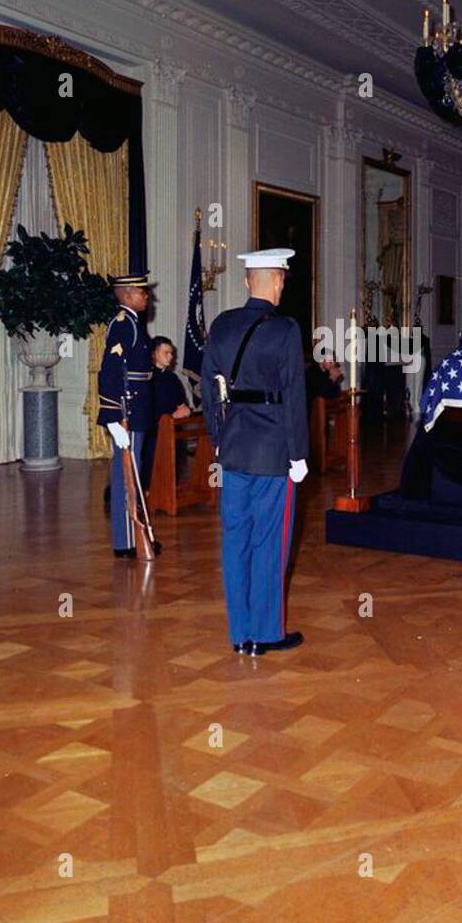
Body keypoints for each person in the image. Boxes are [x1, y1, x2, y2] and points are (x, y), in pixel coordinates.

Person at [201, 248, 309, 656]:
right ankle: (265, 633)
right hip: (272, 451)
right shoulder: (285, 329)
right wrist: (298, 455)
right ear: (278, 281)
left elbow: (208, 388)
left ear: (248, 281)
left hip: (232, 448)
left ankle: (240, 634)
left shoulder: (223, 324)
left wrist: (216, 436)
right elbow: (294, 395)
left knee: (235, 539)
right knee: (269, 540)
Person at [96, 272, 159, 559]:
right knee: (126, 474)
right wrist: (112, 416)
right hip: (127, 409)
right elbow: (110, 370)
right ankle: (126, 542)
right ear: (126, 295)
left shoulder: (134, 323)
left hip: (138, 406)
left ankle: (133, 537)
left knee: (135, 469)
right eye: (142, 292)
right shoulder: (123, 324)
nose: (147, 296)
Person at [139, 336, 192, 489]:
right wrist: (171, 416)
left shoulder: (172, 378)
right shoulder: (146, 377)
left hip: (171, 428)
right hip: (152, 431)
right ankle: (149, 488)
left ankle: (168, 488)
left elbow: (181, 403)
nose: (171, 356)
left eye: (171, 353)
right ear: (154, 354)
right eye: (166, 352)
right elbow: (148, 408)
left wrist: (184, 410)